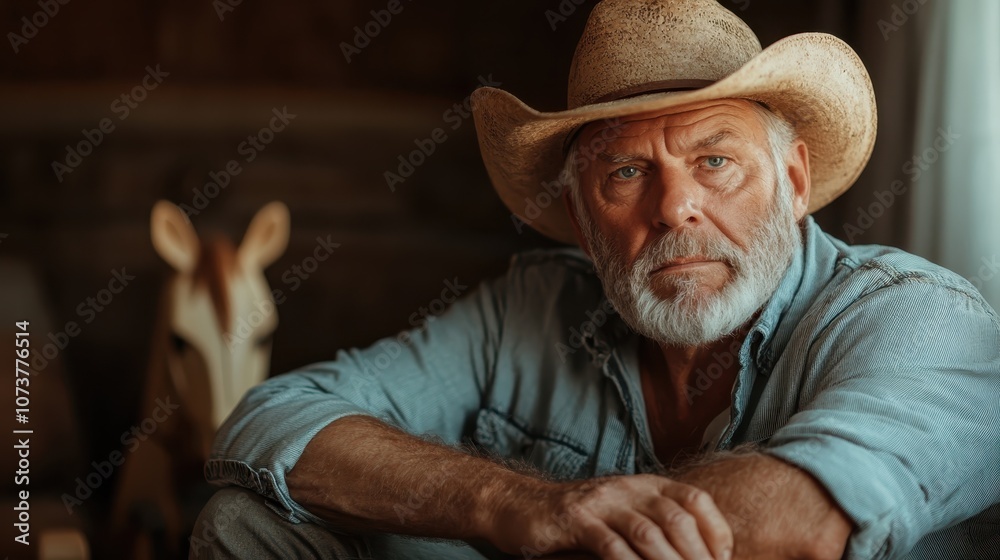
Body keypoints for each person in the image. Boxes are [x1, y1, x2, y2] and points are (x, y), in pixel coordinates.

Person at [192, 0, 1000, 558]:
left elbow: (803, 522)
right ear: (582, 218)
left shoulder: (920, 319)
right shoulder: (533, 308)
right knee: (246, 523)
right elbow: (270, 420)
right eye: (625, 172)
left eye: (714, 161)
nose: (675, 206)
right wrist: (519, 505)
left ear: (793, 180)